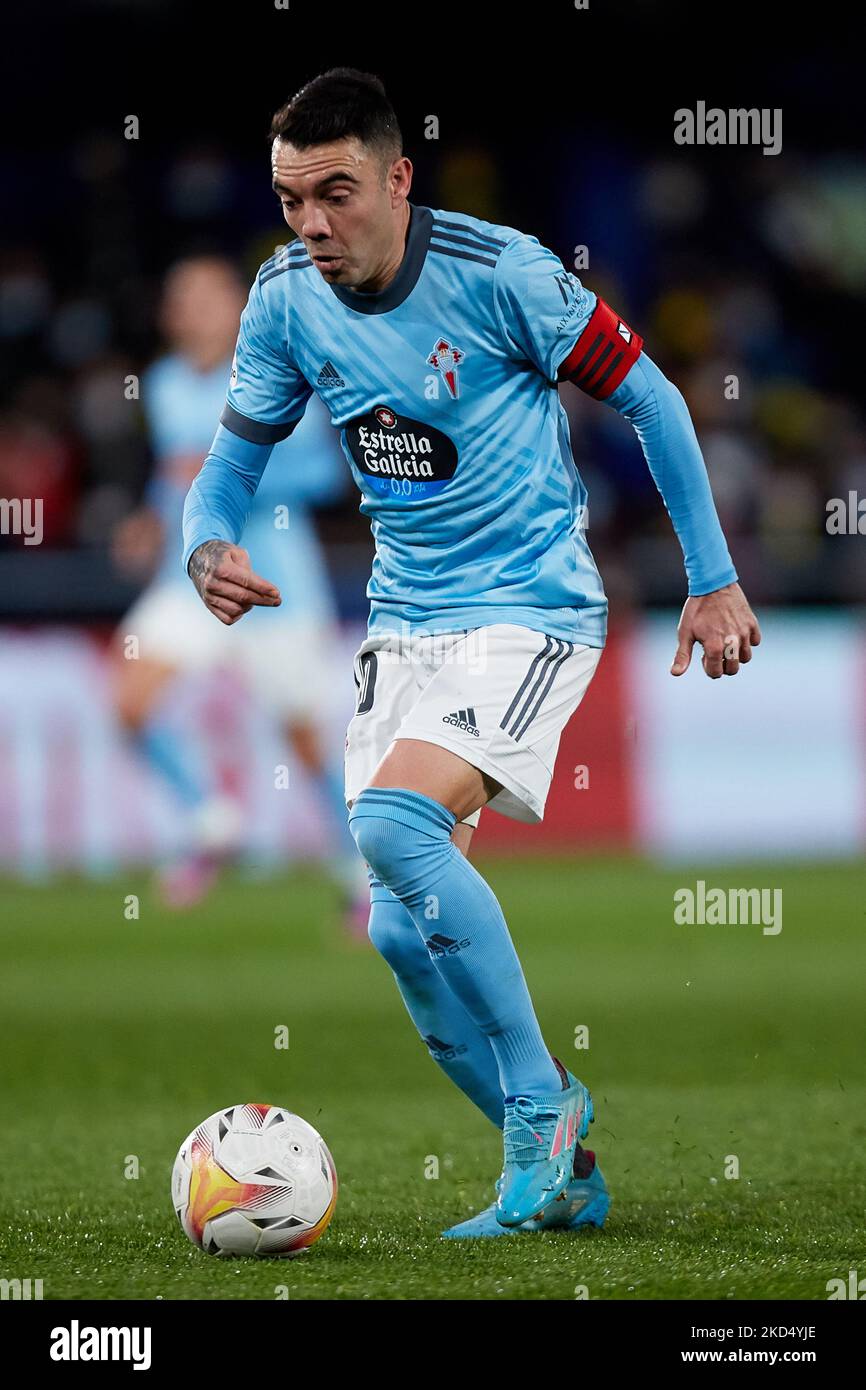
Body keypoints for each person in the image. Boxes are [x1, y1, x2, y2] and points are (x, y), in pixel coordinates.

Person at [181, 69, 761, 1238]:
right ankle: (567, 1174)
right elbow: (230, 461)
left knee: (390, 829)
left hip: (529, 607)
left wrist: (710, 577)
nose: (310, 224)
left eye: (335, 194)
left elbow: (651, 399)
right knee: (399, 924)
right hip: (404, 623)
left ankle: (541, 1108)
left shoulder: (505, 276)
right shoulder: (286, 297)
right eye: (292, 198)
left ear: (398, 178)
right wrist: (205, 543)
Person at [113, 255, 367, 923]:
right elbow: (175, 479)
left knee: (303, 740)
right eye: (182, 297)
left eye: (206, 297)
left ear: (235, 308)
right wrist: (149, 518)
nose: (192, 310)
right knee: (130, 699)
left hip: (269, 580)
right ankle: (212, 819)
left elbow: (322, 474)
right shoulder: (164, 384)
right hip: (191, 572)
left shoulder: (277, 373)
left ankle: (358, 876)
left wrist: (235, 469)